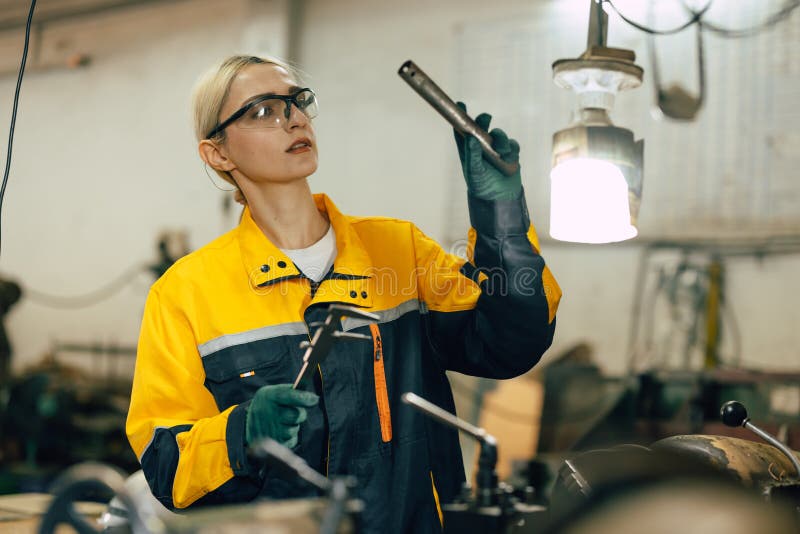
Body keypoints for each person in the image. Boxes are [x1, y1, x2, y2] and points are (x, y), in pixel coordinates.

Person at [125, 54, 562, 533]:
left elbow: (510, 344)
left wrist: (500, 214)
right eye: (263, 110)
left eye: (296, 102)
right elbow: (167, 467)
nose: (293, 117)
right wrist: (241, 430)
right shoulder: (185, 294)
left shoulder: (400, 251)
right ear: (218, 153)